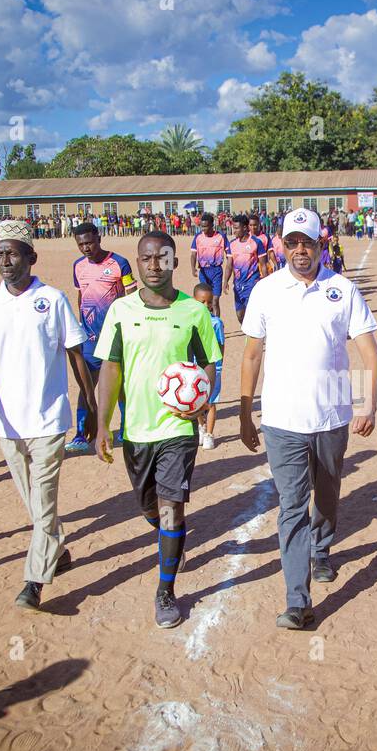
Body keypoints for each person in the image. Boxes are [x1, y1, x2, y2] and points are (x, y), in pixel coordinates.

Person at [239, 208, 377, 629]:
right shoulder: (266, 290)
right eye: (292, 242)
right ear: (281, 245)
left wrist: (365, 404)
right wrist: (246, 412)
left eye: (308, 242)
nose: (300, 250)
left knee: (328, 494)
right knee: (291, 507)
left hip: (333, 414)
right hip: (282, 418)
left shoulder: (343, 290)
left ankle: (323, 548)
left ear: (321, 244)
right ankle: (297, 599)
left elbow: (367, 350)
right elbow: (251, 353)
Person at [0, 221, 96, 611]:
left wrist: (91, 405)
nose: (5, 261)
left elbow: (75, 354)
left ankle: (34, 581)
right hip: (7, 423)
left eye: (13, 253)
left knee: (43, 504)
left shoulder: (53, 299)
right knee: (34, 505)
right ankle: (57, 550)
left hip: (48, 421)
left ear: (32, 257)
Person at [94, 231, 221, 628]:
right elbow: (110, 370)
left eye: (161, 258)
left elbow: (209, 365)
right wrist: (101, 424)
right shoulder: (120, 310)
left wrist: (199, 403)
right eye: (146, 258)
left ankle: (165, 590)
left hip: (176, 430)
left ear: (174, 262)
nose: (153, 265)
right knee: (149, 507)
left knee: (171, 507)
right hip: (136, 430)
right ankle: (171, 540)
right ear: (139, 261)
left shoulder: (193, 312)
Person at [66, 222, 133, 455]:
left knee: (121, 385)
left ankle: (126, 431)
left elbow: (131, 298)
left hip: (115, 337)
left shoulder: (120, 263)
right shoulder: (78, 266)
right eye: (81, 244)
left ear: (99, 238)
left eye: (89, 242)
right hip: (89, 339)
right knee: (86, 387)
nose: (86, 248)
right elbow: (81, 297)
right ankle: (81, 434)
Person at [193, 281, 225, 449]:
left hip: (214, 368)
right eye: (201, 302)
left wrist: (220, 365)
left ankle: (209, 434)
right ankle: (201, 425)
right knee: (198, 400)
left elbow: (221, 345)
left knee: (211, 401)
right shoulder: (190, 322)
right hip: (195, 367)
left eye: (209, 302)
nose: (206, 306)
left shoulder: (217, 323)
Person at [228, 214, 267, 323]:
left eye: (236, 228)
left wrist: (265, 281)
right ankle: (248, 332)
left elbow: (263, 264)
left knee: (252, 312)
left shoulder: (256, 242)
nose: (234, 230)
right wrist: (225, 281)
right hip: (237, 284)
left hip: (251, 283)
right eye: (233, 228)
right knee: (240, 315)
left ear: (245, 228)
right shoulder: (232, 244)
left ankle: (254, 336)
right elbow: (229, 264)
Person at [191, 212, 230, 318]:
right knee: (204, 300)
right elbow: (193, 254)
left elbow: (229, 255)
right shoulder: (198, 237)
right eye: (202, 226)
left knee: (215, 300)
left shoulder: (221, 237)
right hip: (203, 271)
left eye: (206, 226)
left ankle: (217, 324)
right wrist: (193, 268)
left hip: (216, 271)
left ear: (212, 225)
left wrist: (229, 272)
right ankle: (207, 322)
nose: (203, 229)